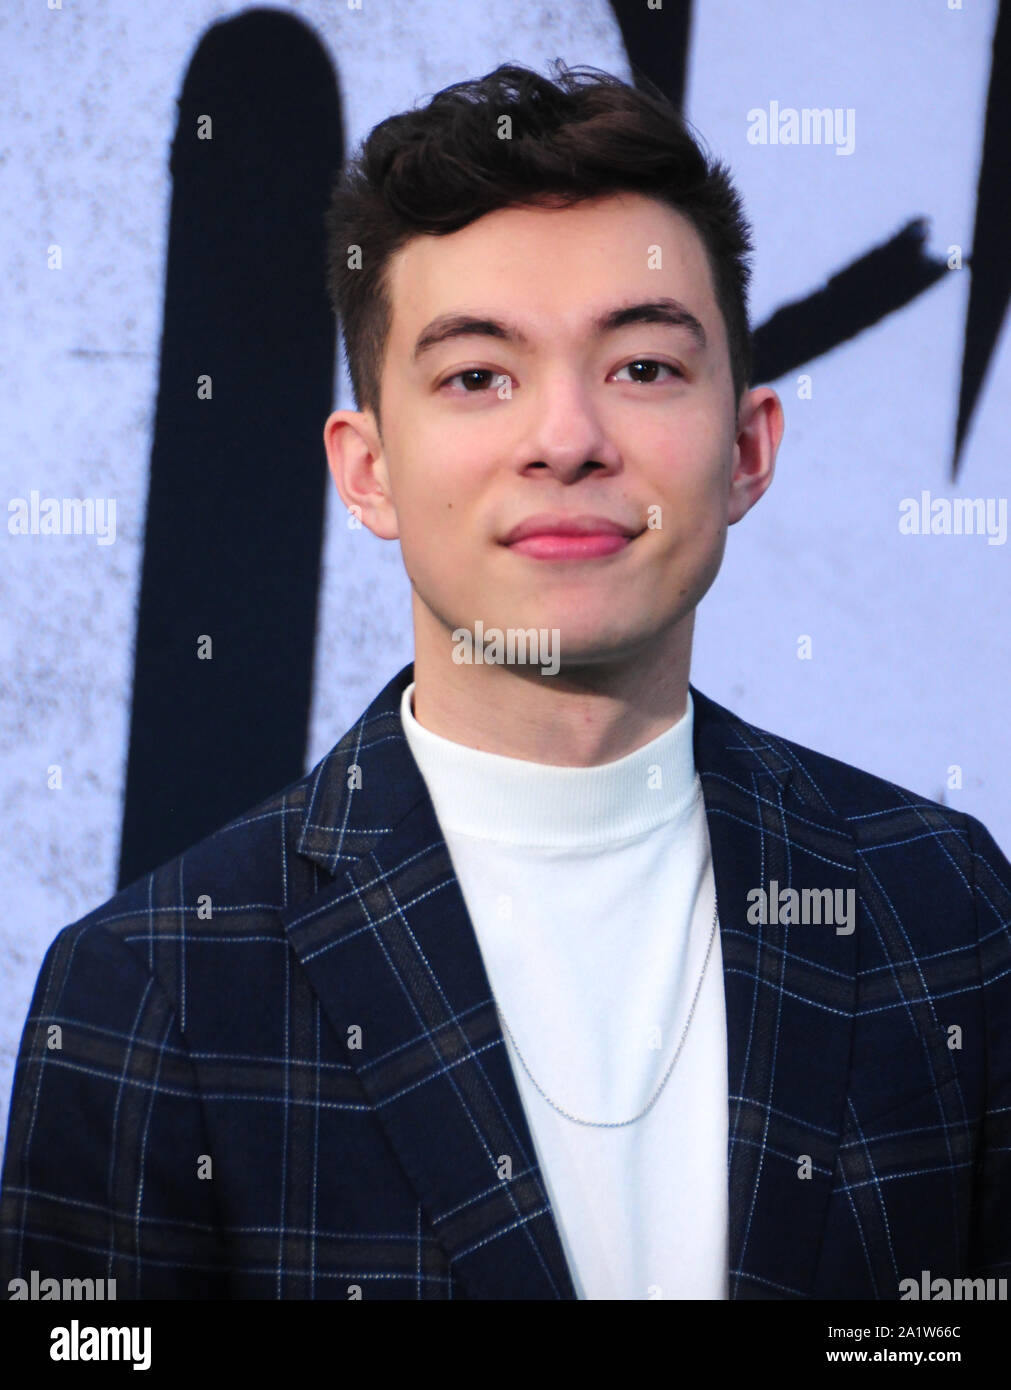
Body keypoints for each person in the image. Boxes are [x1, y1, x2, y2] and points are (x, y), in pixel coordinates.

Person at [2, 60, 1009, 1302]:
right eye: (479, 374)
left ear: (748, 450)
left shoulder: (945, 910)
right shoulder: (155, 986)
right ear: (365, 469)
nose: (567, 435)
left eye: (642, 366)